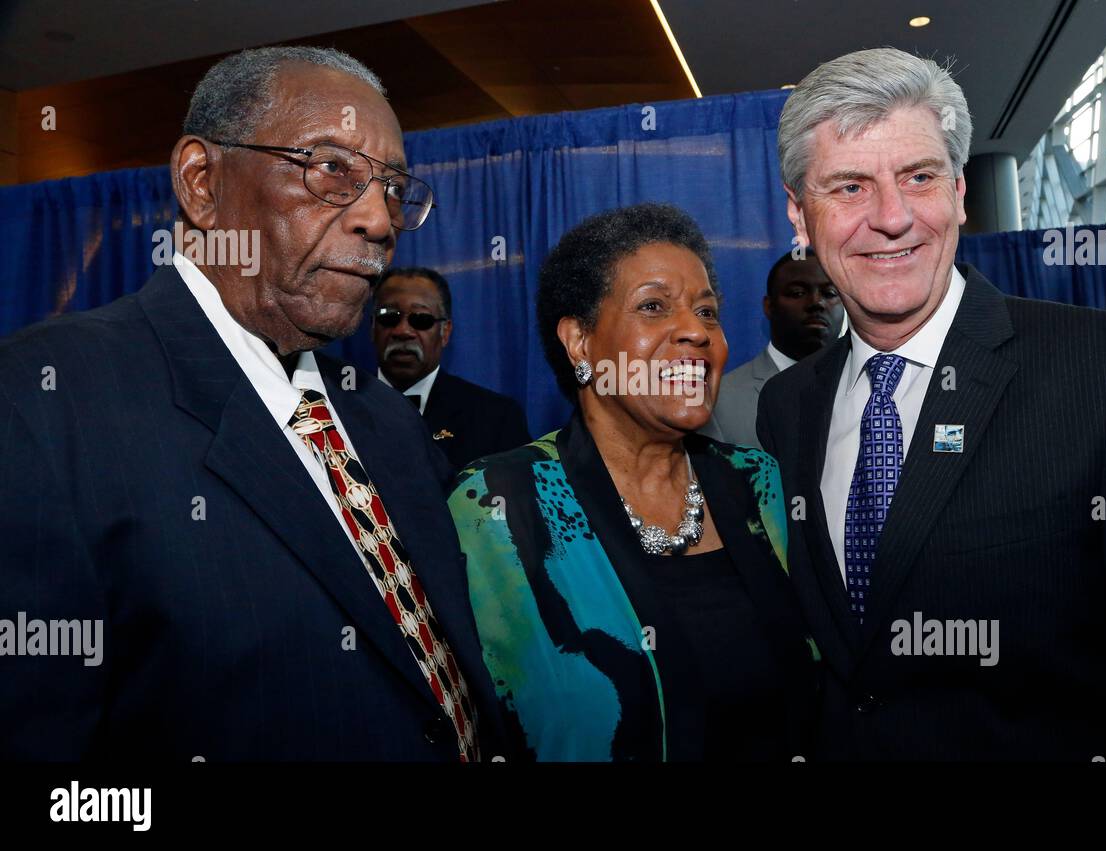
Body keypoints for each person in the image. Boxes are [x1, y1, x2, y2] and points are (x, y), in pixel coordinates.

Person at [757, 47, 1106, 760]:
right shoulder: (789, 406)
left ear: (960, 194)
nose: (891, 217)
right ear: (799, 214)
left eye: (919, 177)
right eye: (848, 187)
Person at [0, 46, 503, 761]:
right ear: (202, 184)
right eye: (333, 169)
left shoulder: (386, 420)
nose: (378, 219)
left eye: (393, 187)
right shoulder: (43, 401)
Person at [446, 203, 818, 761]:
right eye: (653, 307)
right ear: (580, 344)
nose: (696, 331)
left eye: (708, 312)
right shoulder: (498, 506)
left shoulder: (759, 484)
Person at [371, 266, 530, 472]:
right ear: (372, 327)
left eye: (421, 319)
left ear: (445, 332)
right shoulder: (338, 408)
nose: (402, 331)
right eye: (389, 316)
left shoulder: (496, 418)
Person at [702, 249, 844, 446]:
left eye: (829, 293)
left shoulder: (869, 391)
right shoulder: (719, 401)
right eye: (798, 293)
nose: (817, 302)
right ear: (769, 306)